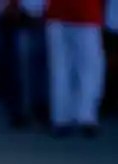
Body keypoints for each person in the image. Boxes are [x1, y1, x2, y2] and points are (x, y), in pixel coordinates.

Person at [45, 0, 105, 135]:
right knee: (89, 69)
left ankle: (61, 117)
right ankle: (85, 116)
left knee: (59, 69)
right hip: (87, 12)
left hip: (57, 12)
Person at [0, 0, 48, 125]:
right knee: (22, 69)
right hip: (24, 18)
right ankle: (23, 109)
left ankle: (39, 106)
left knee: (43, 69)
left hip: (47, 18)